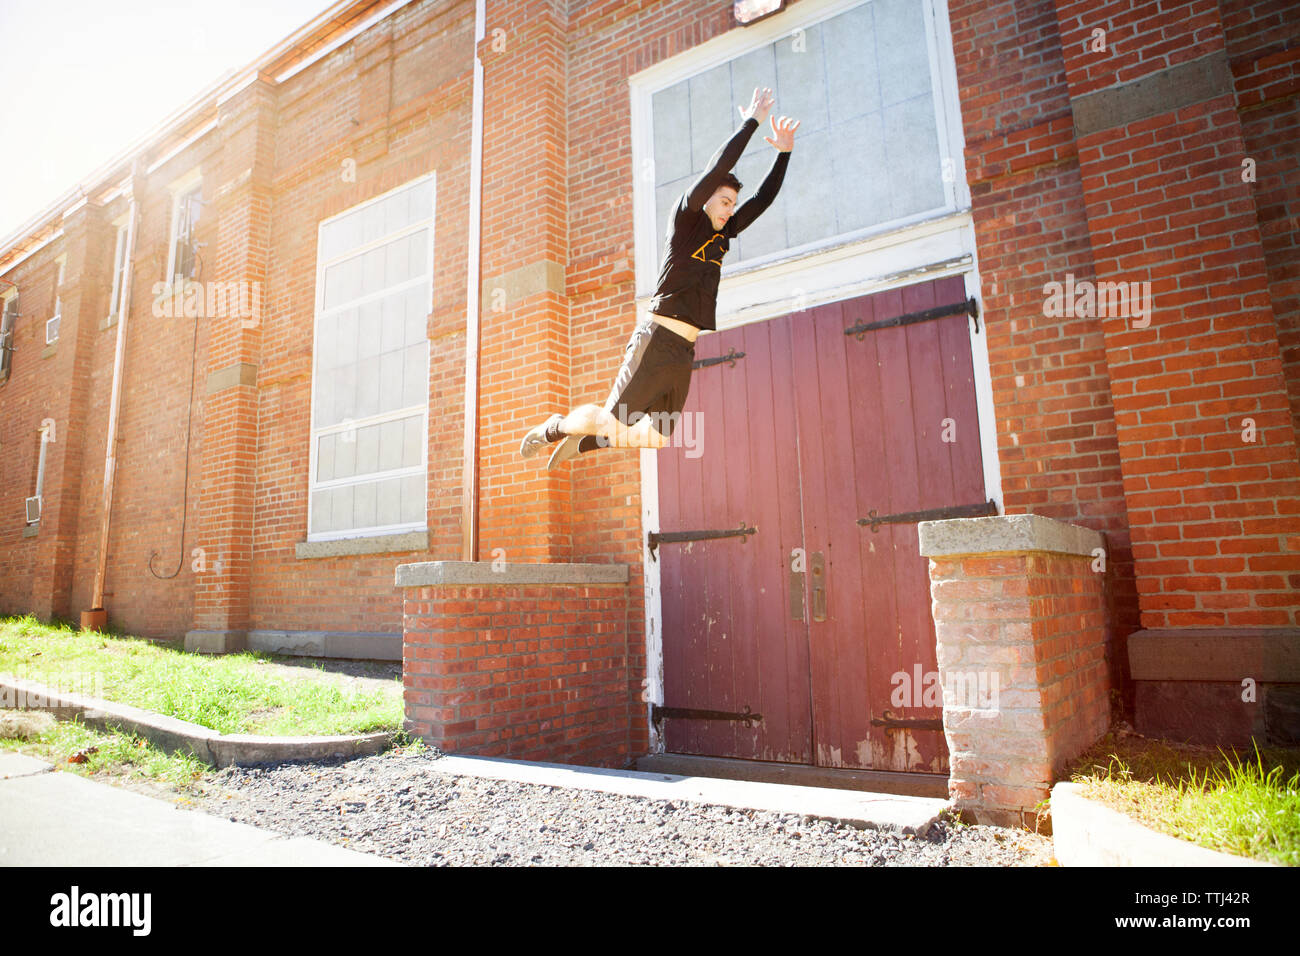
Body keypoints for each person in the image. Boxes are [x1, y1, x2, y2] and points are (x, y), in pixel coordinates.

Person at [519, 86, 798, 469]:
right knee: (609, 421)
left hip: (683, 352)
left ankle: (583, 446)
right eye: (723, 202)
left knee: (656, 437)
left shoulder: (724, 234)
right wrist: (751, 122)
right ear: (706, 199)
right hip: (656, 340)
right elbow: (717, 169)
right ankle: (555, 428)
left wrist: (783, 154)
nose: (729, 211)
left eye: (733, 205)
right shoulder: (686, 220)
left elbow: (763, 200)